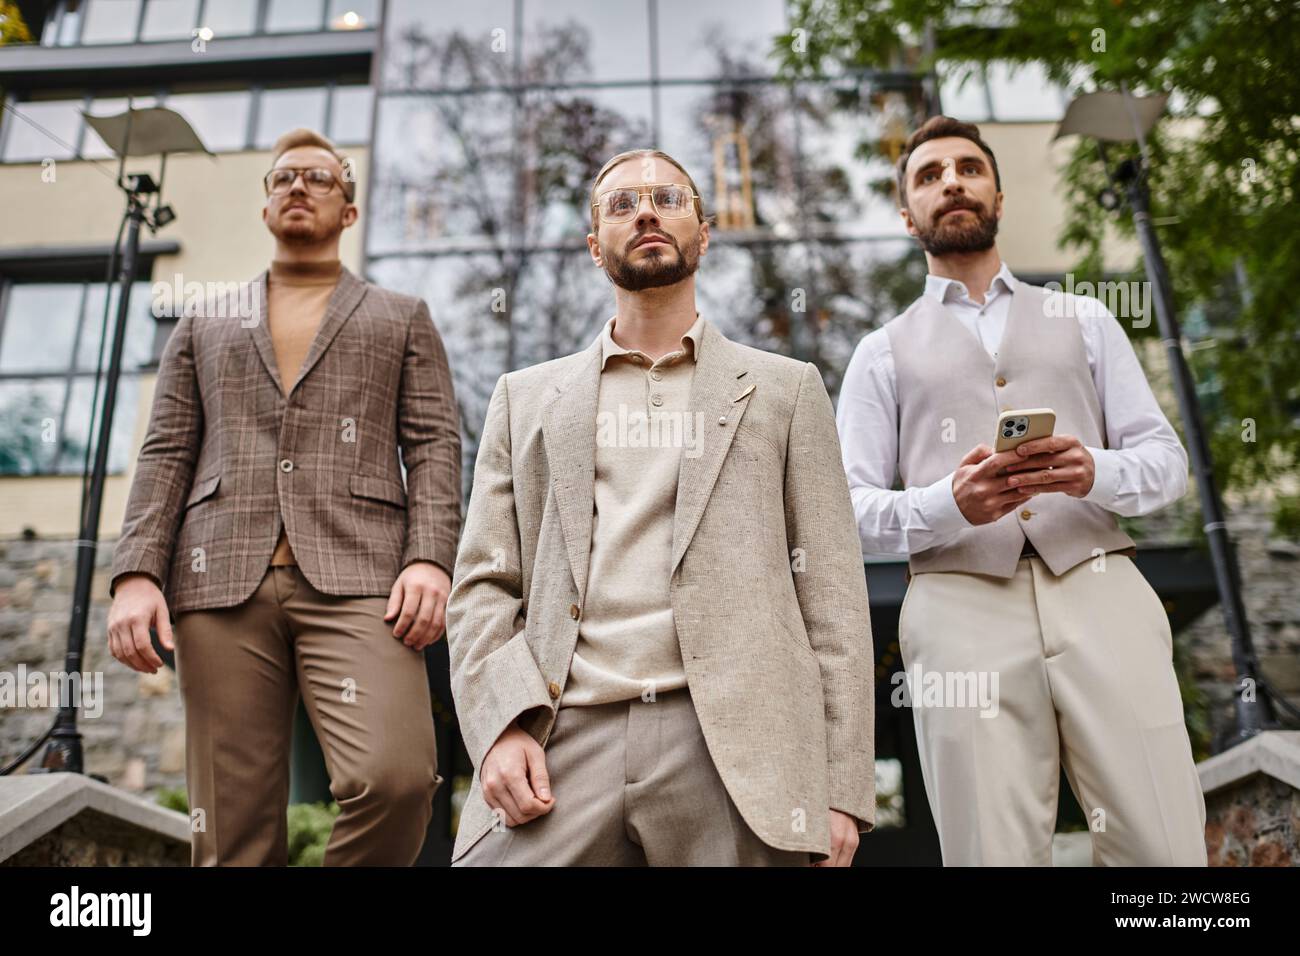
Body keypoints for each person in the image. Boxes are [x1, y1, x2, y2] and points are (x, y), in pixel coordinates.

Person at [448, 148, 874, 866]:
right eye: (621, 204)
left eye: (668, 198)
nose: (645, 211)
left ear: (703, 234)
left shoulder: (786, 389)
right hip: (562, 729)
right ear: (594, 249)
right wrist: (500, 725)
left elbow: (831, 597)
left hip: (735, 748)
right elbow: (486, 583)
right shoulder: (524, 399)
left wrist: (841, 786)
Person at [837, 115, 1207, 866]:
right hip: (956, 608)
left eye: (969, 169)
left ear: (998, 196)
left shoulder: (1086, 317)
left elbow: (1167, 462)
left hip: (1103, 588)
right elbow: (848, 510)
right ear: (908, 215)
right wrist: (950, 504)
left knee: (1162, 843)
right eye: (930, 175)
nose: (952, 184)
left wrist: (1094, 471)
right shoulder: (878, 353)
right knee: (991, 852)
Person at [107, 128, 462, 866]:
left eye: (320, 179)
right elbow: (166, 449)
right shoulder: (204, 321)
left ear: (349, 211)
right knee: (230, 827)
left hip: (364, 579)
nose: (299, 187)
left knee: (395, 779)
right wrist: (137, 572)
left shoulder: (401, 317)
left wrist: (430, 559)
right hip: (216, 581)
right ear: (266, 206)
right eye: (283, 179)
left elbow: (432, 444)